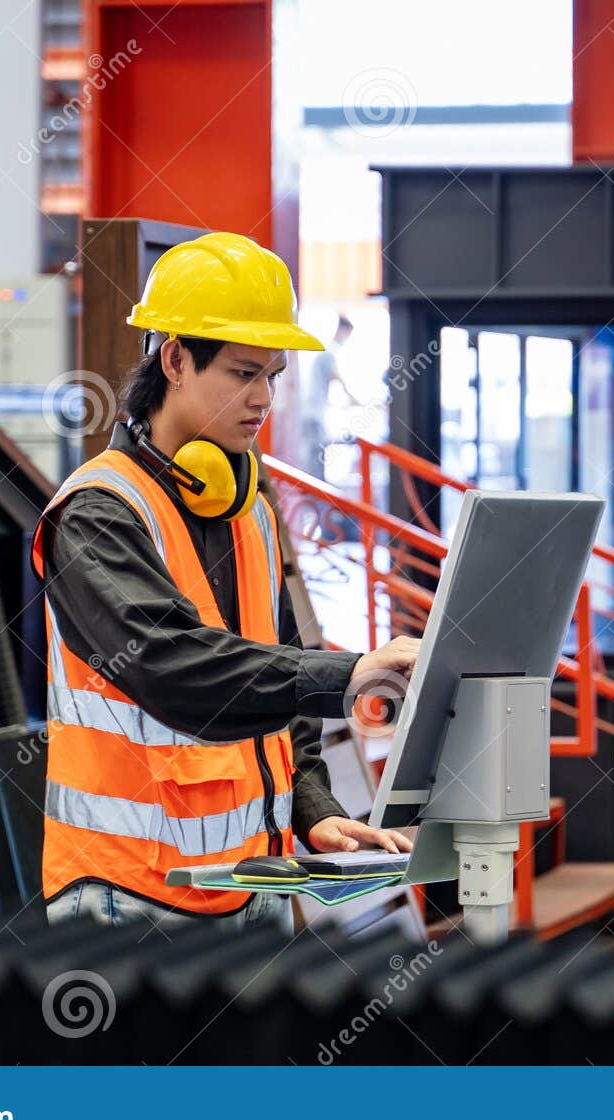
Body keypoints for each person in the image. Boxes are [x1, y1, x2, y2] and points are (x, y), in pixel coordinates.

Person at [31, 232, 418, 934]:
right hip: (128, 894)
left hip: (250, 880)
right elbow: (174, 666)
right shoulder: (97, 513)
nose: (263, 398)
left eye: (273, 375)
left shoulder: (250, 515)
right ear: (175, 359)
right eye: (243, 373)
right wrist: (354, 671)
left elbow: (279, 692)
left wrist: (315, 811)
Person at [300, 313, 353, 478]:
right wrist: (353, 398)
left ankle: (315, 492)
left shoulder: (326, 351)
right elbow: (336, 377)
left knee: (316, 455)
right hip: (314, 413)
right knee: (316, 457)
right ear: (342, 330)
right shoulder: (328, 353)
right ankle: (315, 494)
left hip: (313, 411)